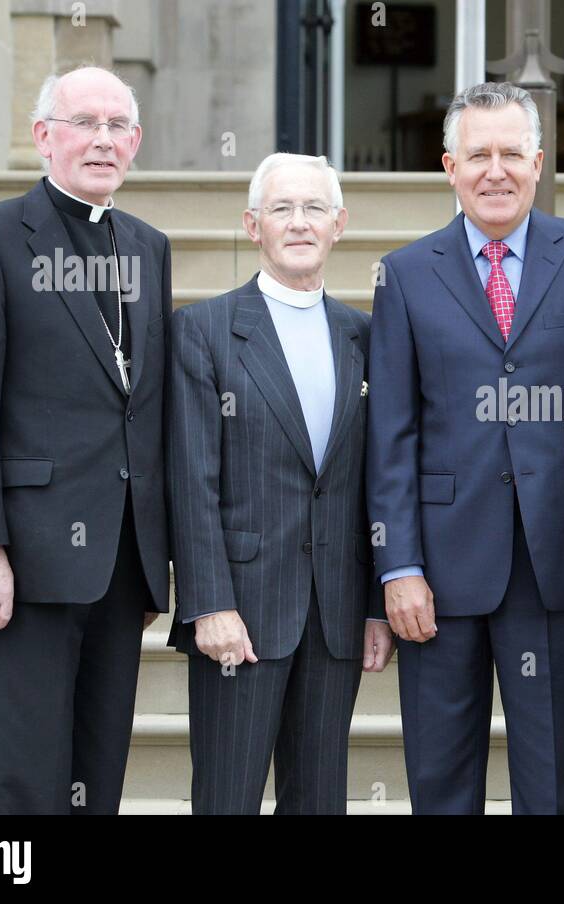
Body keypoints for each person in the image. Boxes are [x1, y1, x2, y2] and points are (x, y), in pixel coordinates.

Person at [366, 82, 564, 814]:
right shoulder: (405, 273)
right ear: (449, 165)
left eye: (512, 153)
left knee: (549, 778)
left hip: (555, 559)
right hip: (439, 568)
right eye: (478, 154)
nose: (496, 170)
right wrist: (397, 564)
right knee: (440, 775)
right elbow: (390, 434)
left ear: (539, 162)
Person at [0, 66, 172, 814]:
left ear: (134, 143)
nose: (102, 140)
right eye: (83, 123)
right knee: (27, 777)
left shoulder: (148, 246)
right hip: (26, 558)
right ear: (43, 137)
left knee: (100, 771)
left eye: (118, 126)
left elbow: (142, 402)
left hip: (123, 562)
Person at [168, 153, 391, 814]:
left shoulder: (366, 336)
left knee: (319, 800)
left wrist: (377, 603)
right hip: (240, 608)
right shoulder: (203, 331)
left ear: (339, 224)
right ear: (252, 224)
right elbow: (191, 477)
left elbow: (379, 478)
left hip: (336, 613)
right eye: (282, 209)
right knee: (227, 797)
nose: (299, 223)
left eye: (314, 208)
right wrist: (209, 603)